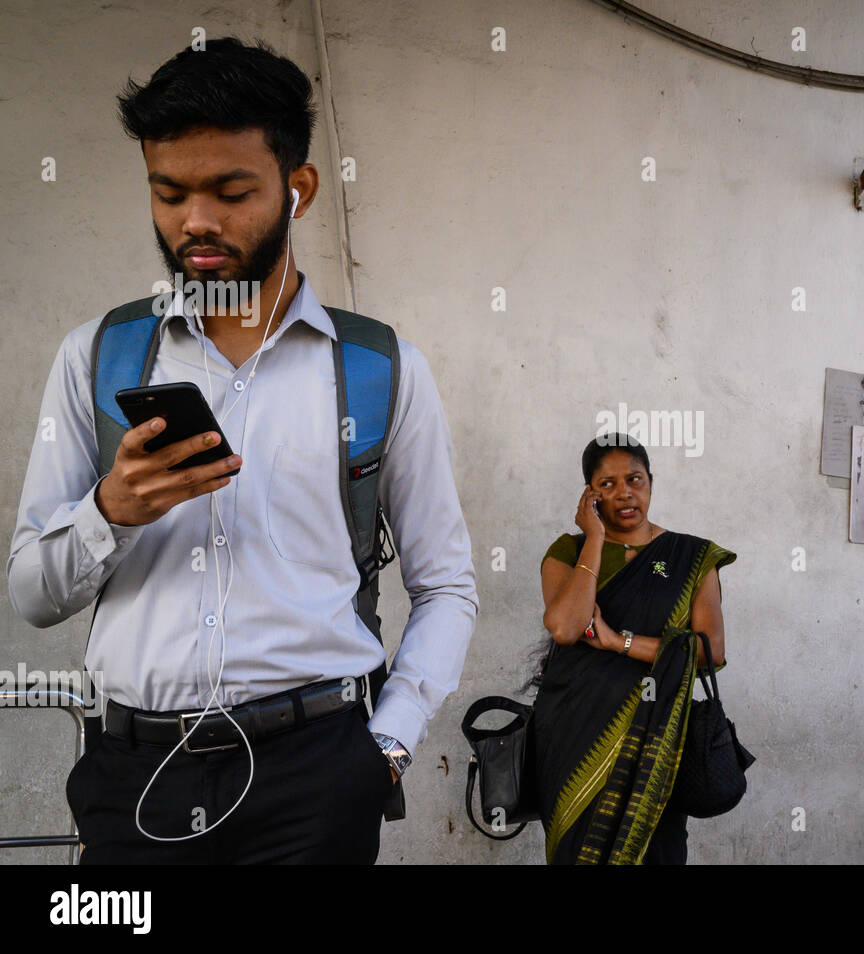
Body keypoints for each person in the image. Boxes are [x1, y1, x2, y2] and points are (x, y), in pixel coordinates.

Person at [6, 38, 477, 863]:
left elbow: (446, 586)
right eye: (168, 192)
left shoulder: (375, 370)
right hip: (135, 779)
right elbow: (32, 594)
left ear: (298, 190)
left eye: (230, 192)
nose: (196, 221)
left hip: (317, 781)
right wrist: (111, 514)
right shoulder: (97, 357)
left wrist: (388, 747)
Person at [532, 434, 735, 864]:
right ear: (590, 494)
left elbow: (710, 651)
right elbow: (566, 627)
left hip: (656, 735)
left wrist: (617, 641)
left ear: (650, 483)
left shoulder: (692, 557)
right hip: (574, 736)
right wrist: (593, 538)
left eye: (634, 479)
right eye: (606, 484)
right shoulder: (568, 551)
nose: (624, 492)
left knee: (656, 850)